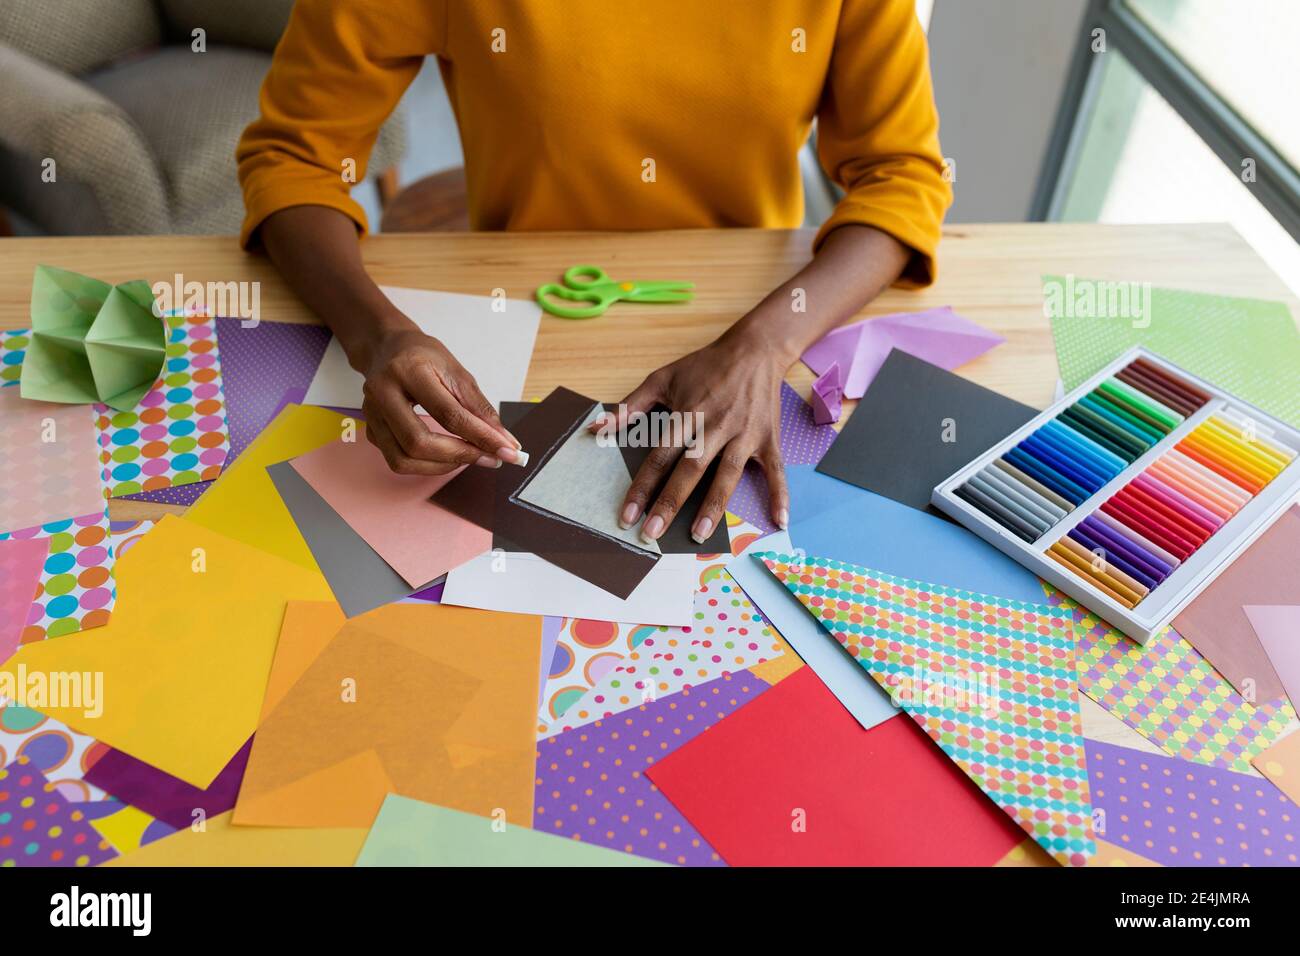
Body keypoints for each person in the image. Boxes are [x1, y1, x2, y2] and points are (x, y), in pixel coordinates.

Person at [237, 0, 950, 544]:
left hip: (763, 320)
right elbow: (294, 159)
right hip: (520, 326)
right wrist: (377, 336)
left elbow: (902, 177)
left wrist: (765, 345)